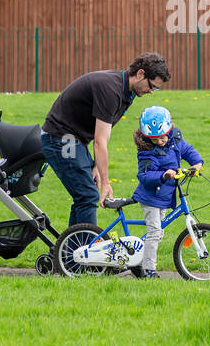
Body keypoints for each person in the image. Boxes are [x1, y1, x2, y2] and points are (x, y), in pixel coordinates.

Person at [39, 52, 170, 233]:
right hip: (60, 138)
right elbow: (100, 141)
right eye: (152, 86)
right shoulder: (111, 89)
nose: (151, 92)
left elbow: (99, 133)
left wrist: (95, 166)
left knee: (85, 195)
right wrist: (106, 182)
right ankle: (81, 256)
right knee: (87, 195)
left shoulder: (127, 92)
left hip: (75, 140)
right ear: (140, 74)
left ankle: (70, 254)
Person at [131, 105, 202, 279]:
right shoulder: (147, 153)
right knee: (155, 232)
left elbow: (187, 150)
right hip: (151, 197)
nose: (160, 142)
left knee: (158, 231)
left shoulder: (175, 140)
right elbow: (145, 175)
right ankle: (148, 270)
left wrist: (196, 163)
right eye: (155, 139)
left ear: (169, 131)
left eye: (162, 137)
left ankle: (141, 261)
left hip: (163, 197)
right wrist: (164, 175)